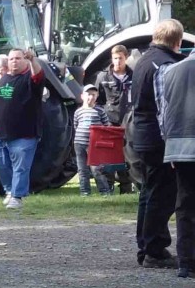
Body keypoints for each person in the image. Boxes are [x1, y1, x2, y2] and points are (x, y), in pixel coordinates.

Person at [125, 19, 183, 267]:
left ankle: (145, 246)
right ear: (177, 41)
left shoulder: (143, 60)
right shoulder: (164, 65)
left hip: (140, 134)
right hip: (156, 138)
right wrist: (171, 142)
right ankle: (155, 250)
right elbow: (164, 109)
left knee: (149, 193)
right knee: (163, 194)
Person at [0, 46, 44, 210]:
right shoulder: (3, 79)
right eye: (11, 59)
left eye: (18, 58)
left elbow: (38, 75)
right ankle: (10, 189)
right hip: (0, 133)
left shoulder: (30, 79)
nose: (14, 61)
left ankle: (17, 196)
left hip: (25, 134)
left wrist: (33, 60)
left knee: (20, 167)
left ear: (24, 60)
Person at [155, 51, 195, 277]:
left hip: (178, 146)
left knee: (185, 204)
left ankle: (186, 262)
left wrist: (168, 144)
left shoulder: (170, 71)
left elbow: (164, 113)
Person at [94, 44, 134, 194]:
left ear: (126, 58)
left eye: (120, 58)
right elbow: (97, 99)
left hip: (128, 119)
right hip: (109, 119)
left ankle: (126, 187)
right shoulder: (103, 77)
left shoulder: (133, 75)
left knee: (127, 153)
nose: (117, 62)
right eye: (115, 58)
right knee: (109, 154)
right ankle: (108, 186)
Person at [73, 84, 113, 196]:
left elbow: (107, 126)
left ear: (97, 96)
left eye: (93, 95)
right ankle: (84, 192)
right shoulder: (78, 112)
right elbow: (76, 126)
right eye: (88, 94)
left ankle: (105, 191)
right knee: (82, 170)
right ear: (82, 96)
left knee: (97, 169)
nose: (91, 97)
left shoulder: (100, 111)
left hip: (94, 144)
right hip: (79, 143)